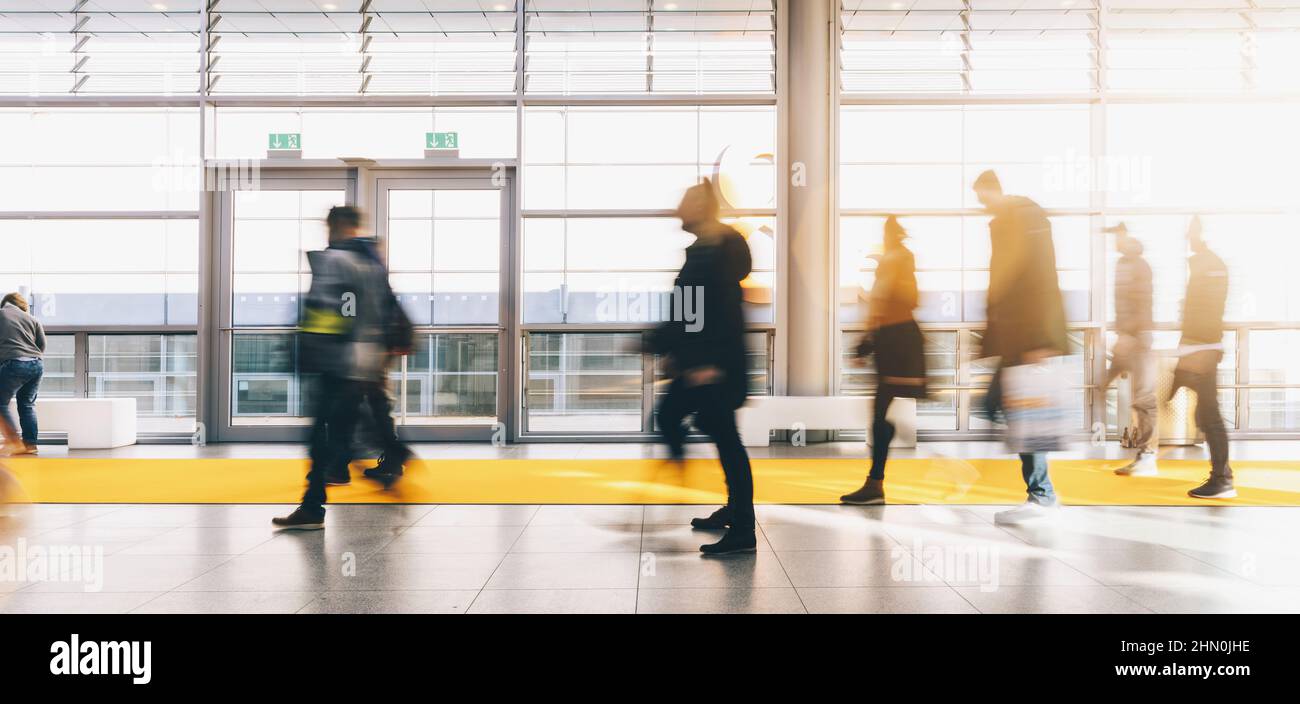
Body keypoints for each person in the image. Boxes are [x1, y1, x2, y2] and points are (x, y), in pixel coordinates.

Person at [273, 206, 407, 530]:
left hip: (337, 361)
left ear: (334, 226)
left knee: (322, 432)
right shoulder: (370, 262)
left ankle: (314, 503)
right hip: (364, 360)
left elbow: (337, 310)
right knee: (344, 427)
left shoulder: (337, 260)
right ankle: (384, 460)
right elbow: (377, 309)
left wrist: (309, 348)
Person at [650, 178, 756, 555]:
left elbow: (724, 316)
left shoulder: (719, 251)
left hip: (714, 368)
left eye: (685, 201)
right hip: (697, 365)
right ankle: (731, 508)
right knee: (684, 422)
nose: (678, 207)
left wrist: (711, 364)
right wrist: (664, 346)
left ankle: (743, 528)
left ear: (701, 208)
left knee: (725, 440)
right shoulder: (702, 251)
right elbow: (687, 313)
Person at [972, 171, 1070, 525]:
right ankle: (1040, 491)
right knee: (996, 406)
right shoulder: (1008, 221)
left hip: (1028, 338)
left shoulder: (1024, 219)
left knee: (1019, 412)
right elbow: (1002, 284)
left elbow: (1039, 279)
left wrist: (1040, 341)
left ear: (992, 191)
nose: (982, 206)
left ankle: (1042, 495)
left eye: (983, 198)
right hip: (1016, 337)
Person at [840, 216, 927, 505]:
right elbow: (910, 299)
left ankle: (876, 482)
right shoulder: (905, 259)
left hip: (894, 341)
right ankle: (876, 479)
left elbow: (879, 302)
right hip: (902, 339)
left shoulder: (892, 260)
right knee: (879, 412)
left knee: (879, 413)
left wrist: (864, 342)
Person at [323, 232, 414, 489]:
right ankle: (389, 458)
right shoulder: (374, 268)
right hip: (375, 349)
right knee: (374, 405)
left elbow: (346, 309)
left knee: (348, 408)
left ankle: (342, 464)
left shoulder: (349, 265)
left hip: (356, 350)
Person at [1171, 216, 1233, 499]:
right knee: (1204, 414)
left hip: (1204, 349)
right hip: (1198, 348)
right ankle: (1222, 476)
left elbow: (1209, 314)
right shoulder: (1202, 265)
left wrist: (1202, 350)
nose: (1188, 236)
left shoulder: (1211, 266)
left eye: (1191, 231)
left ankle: (1222, 479)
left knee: (1210, 415)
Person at [1104, 222, 1159, 476]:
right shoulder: (1123, 265)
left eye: (1117, 236)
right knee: (1102, 385)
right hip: (1127, 337)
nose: (1115, 243)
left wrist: (1129, 334)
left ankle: (1147, 455)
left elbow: (1141, 302)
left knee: (1144, 397)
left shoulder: (1137, 265)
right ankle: (1144, 452)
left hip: (1136, 339)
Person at [0, 292, 46, 456]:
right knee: (27, 405)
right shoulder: (32, 319)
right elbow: (41, 345)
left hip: (15, 363)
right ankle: (30, 444)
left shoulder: (1, 314)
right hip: (36, 364)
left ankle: (13, 441)